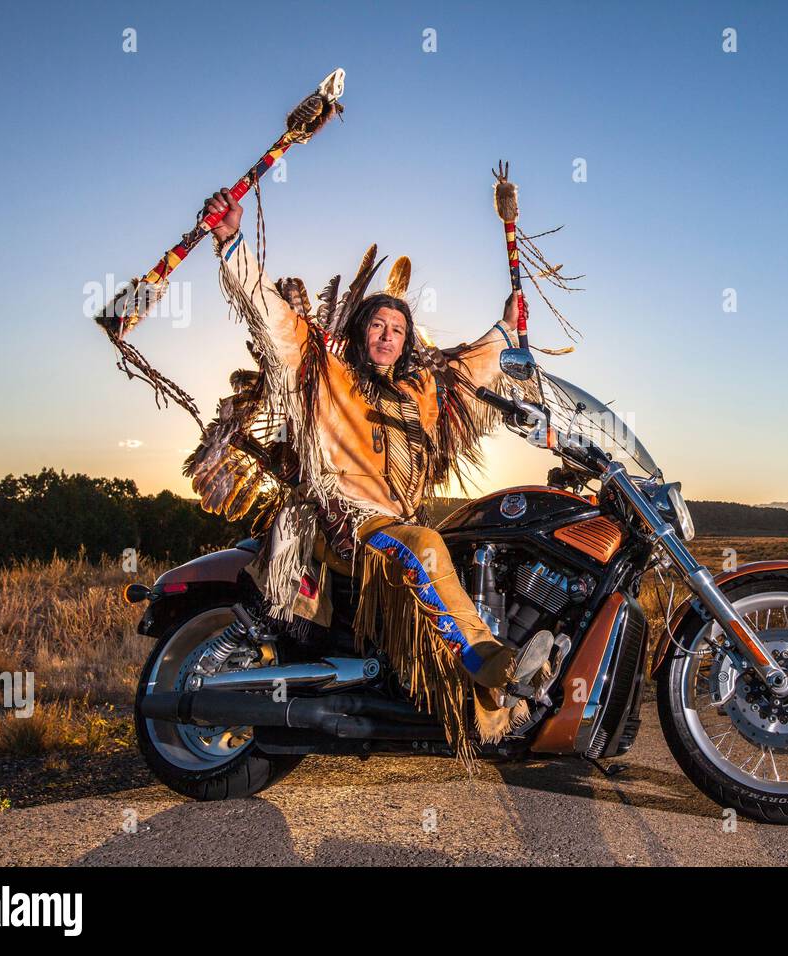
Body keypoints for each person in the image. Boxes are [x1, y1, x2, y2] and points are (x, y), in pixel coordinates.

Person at [204, 187, 548, 762]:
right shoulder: (326, 376)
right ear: (362, 331)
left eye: (398, 328)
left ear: (407, 341)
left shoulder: (423, 390)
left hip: (397, 525)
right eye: (378, 325)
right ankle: (485, 661)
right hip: (351, 529)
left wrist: (507, 328)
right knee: (424, 546)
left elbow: (472, 365)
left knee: (461, 541)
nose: (388, 334)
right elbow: (275, 320)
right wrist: (232, 240)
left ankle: (497, 697)